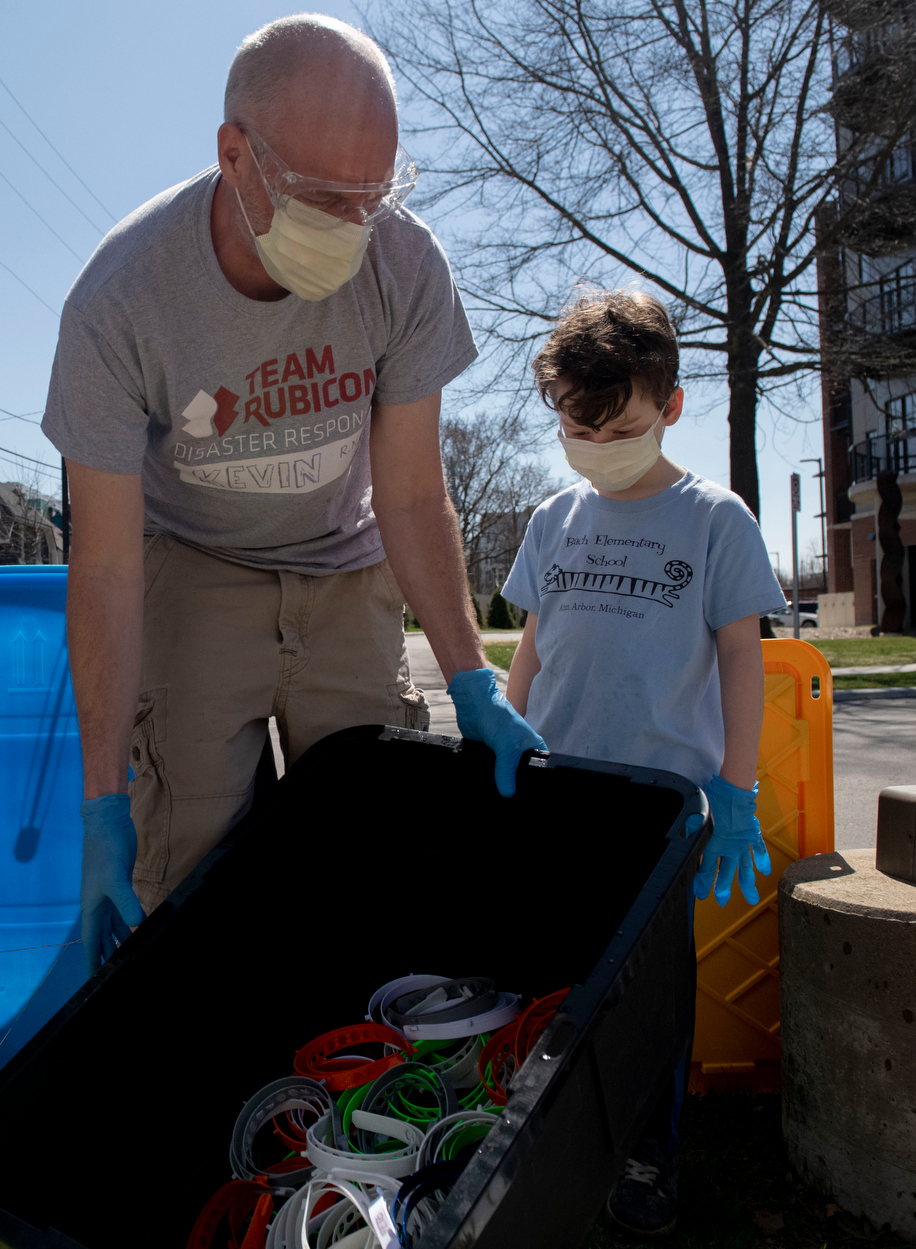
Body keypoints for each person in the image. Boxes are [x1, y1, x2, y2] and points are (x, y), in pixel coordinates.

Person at [44, 14, 541, 973]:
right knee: (189, 872)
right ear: (235, 153)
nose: (356, 222)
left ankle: (353, 1086)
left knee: (376, 855)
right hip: (191, 566)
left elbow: (408, 491)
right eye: (324, 195)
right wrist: (104, 799)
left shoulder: (404, 262)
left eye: (377, 192)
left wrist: (471, 674)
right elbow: (104, 563)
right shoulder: (119, 300)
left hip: (347, 563)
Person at [499, 289, 786, 1235]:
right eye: (577, 424)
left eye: (615, 423)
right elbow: (531, 648)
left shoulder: (714, 518)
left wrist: (735, 790)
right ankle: (543, 1138)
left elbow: (743, 656)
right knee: (552, 978)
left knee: (647, 1001)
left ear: (668, 403)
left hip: (663, 811)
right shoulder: (553, 517)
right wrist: (500, 736)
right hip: (559, 797)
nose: (593, 441)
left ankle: (648, 1154)